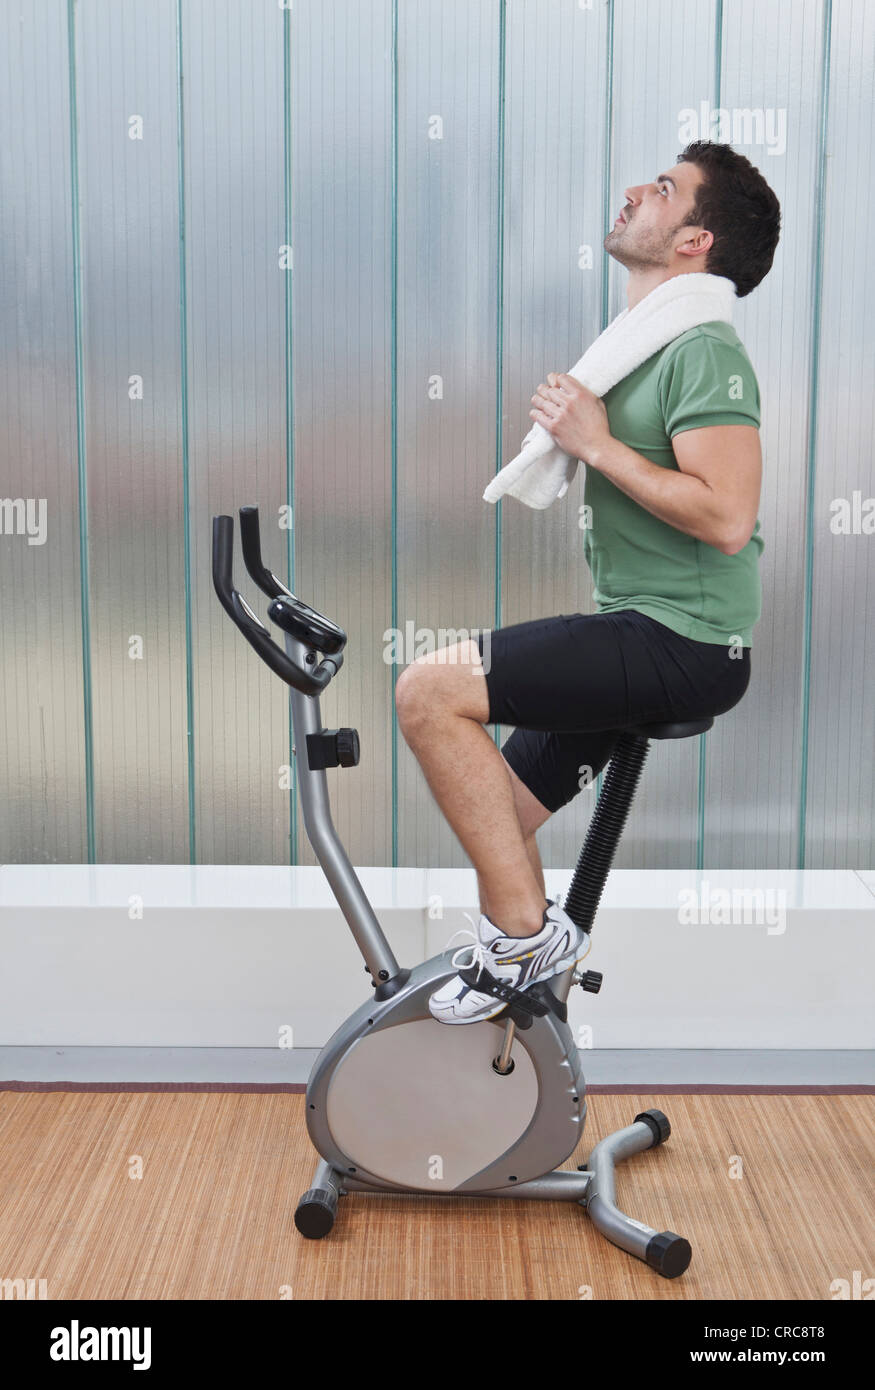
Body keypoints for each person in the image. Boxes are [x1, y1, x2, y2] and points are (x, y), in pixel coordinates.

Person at [394, 140, 781, 1025]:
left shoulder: (702, 352)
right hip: (641, 627)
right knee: (501, 820)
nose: (634, 192)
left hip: (682, 643)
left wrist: (595, 443)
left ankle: (526, 949)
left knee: (426, 692)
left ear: (695, 241)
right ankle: (518, 1043)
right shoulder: (644, 344)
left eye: (664, 188)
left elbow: (726, 518)